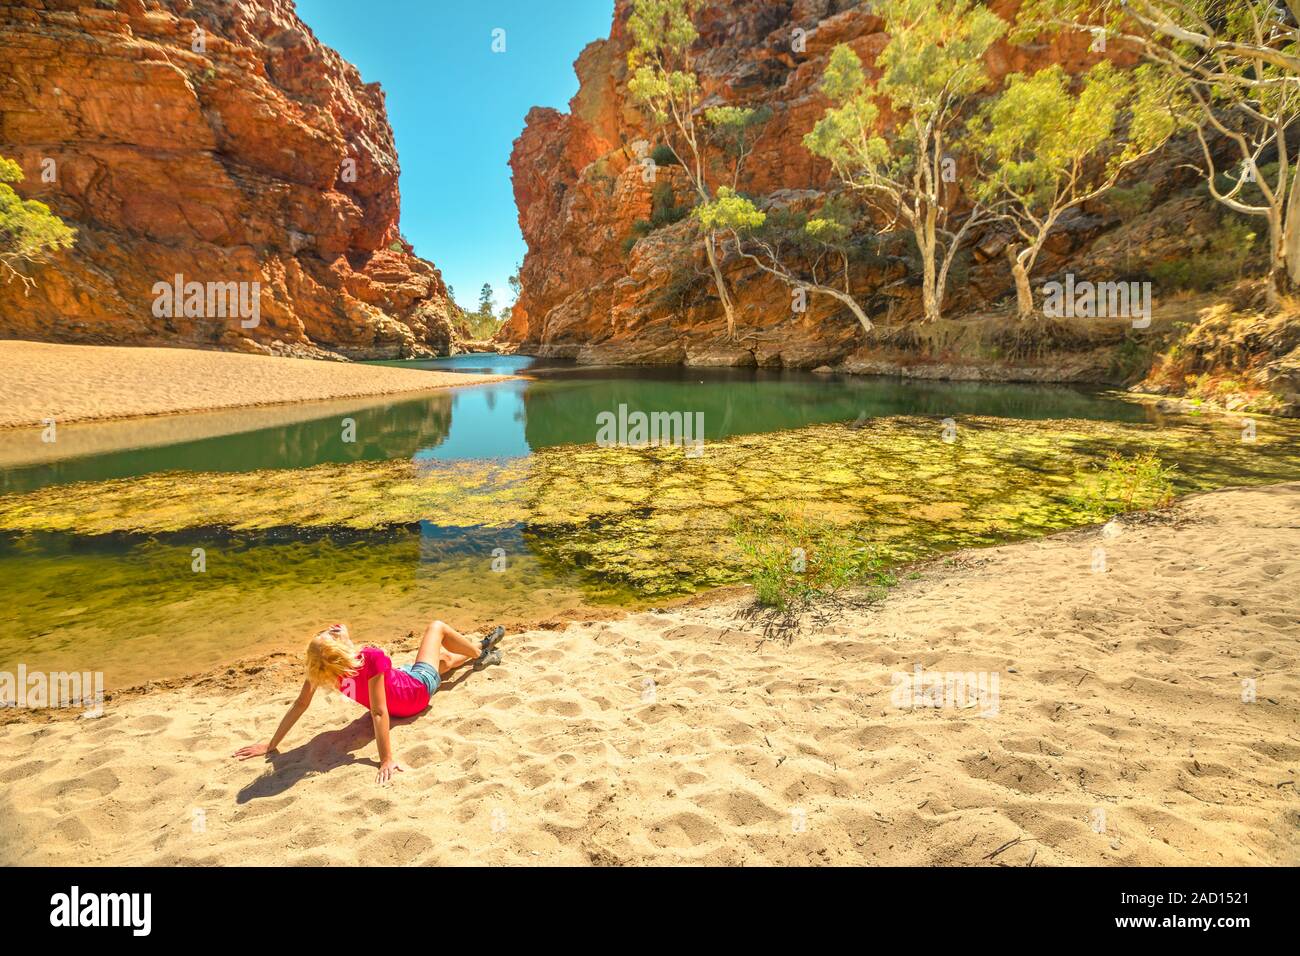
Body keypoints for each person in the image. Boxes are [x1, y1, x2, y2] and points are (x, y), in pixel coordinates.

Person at [233, 620, 503, 783]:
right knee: (436, 628)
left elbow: (300, 705)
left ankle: (478, 648)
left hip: (401, 682)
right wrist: (386, 759)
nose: (332, 632)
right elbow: (378, 712)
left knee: (443, 661)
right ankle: (480, 652)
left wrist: (271, 744)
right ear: (341, 650)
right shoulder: (370, 657)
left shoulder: (323, 671)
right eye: (329, 637)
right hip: (416, 691)